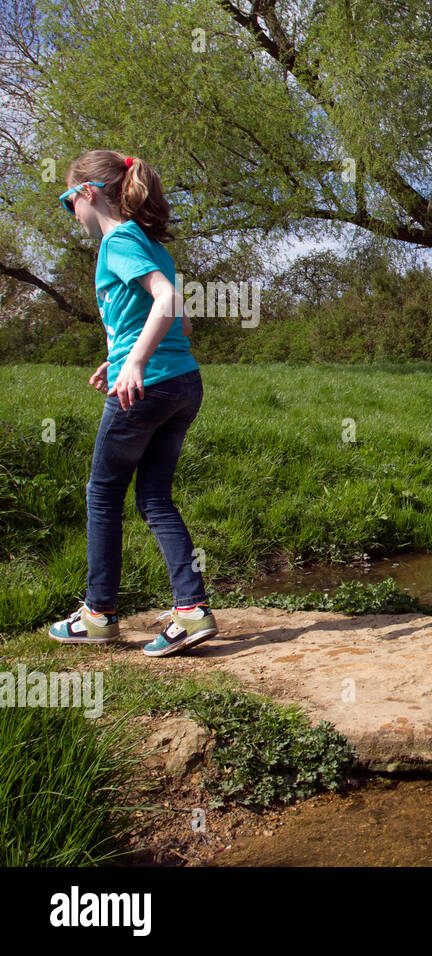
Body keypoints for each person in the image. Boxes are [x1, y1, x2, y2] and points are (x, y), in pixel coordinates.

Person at [46, 150, 219, 656]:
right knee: (154, 498)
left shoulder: (118, 241)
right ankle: (191, 611)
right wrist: (122, 356)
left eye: (66, 201)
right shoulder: (148, 242)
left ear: (88, 193)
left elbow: (166, 302)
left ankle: (97, 616)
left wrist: (137, 362)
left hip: (148, 387)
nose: (70, 213)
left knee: (103, 494)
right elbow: (183, 322)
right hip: (184, 384)